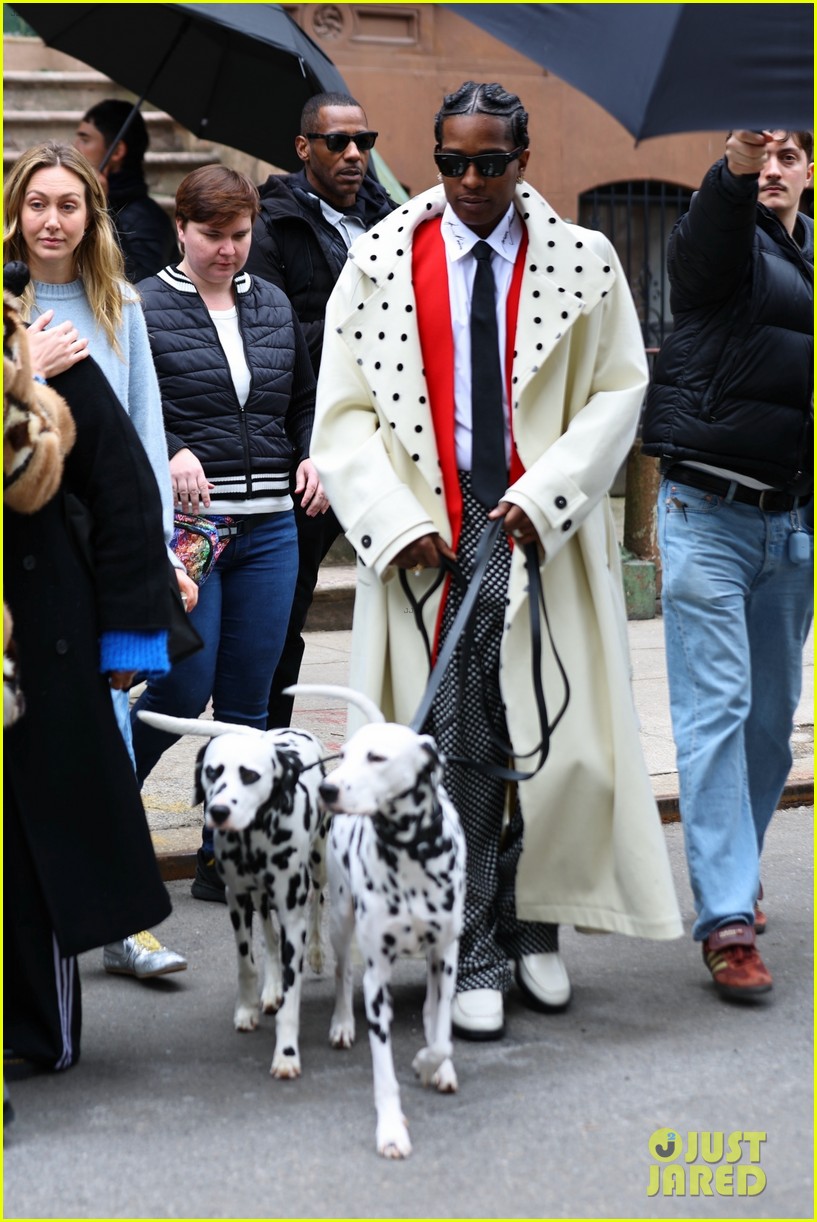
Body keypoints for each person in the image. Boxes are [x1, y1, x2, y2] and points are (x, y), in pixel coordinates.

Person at [311, 81, 683, 1041]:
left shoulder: (584, 259)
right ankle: (469, 943)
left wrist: (545, 494)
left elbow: (618, 393)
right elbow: (342, 413)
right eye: (450, 162)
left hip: (539, 530)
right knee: (460, 744)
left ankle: (532, 925)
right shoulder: (379, 260)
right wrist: (390, 520)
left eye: (488, 163)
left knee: (556, 744)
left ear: (522, 160)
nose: (468, 180)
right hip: (431, 539)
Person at [3, 141, 193, 979]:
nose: (52, 220)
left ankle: (123, 921)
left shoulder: (120, 304)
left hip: (103, 561)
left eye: (68, 204)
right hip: (27, 557)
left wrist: (160, 560)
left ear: (92, 215)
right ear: (16, 211)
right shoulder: (6, 305)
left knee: (110, 740)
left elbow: (143, 443)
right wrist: (29, 370)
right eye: (37, 203)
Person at [641, 130, 814, 1001]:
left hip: (791, 524)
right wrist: (732, 173)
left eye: (789, 155)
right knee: (716, 710)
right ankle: (725, 919)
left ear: (811, 171)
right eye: (760, 154)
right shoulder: (720, 233)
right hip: (704, 514)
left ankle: (735, 869)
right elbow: (703, 245)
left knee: (769, 723)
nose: (773, 168)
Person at [129, 164, 324, 903]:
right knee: (184, 682)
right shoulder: (142, 305)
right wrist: (171, 447)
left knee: (250, 700)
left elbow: (303, 401)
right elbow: (127, 406)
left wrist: (311, 454)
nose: (228, 249)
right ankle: (104, 807)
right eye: (212, 235)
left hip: (271, 525)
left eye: (240, 234)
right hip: (191, 531)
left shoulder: (271, 302)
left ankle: (226, 859)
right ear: (181, 229)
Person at [3, 279, 174, 1079]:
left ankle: (37, 1029)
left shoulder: (50, 349)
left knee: (34, 842)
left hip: (42, 635)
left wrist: (133, 632)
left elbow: (124, 486)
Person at [243, 91, 395, 729]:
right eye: (338, 142)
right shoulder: (271, 225)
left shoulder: (394, 220)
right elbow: (269, 335)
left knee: (408, 593)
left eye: (364, 141)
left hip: (391, 435)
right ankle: (266, 748)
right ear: (305, 148)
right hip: (308, 440)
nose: (354, 154)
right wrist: (364, 331)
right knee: (286, 607)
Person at [74, 99, 178, 283]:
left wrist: (103, 208)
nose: (75, 147)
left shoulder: (148, 220)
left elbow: (140, 287)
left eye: (85, 140)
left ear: (117, 151)